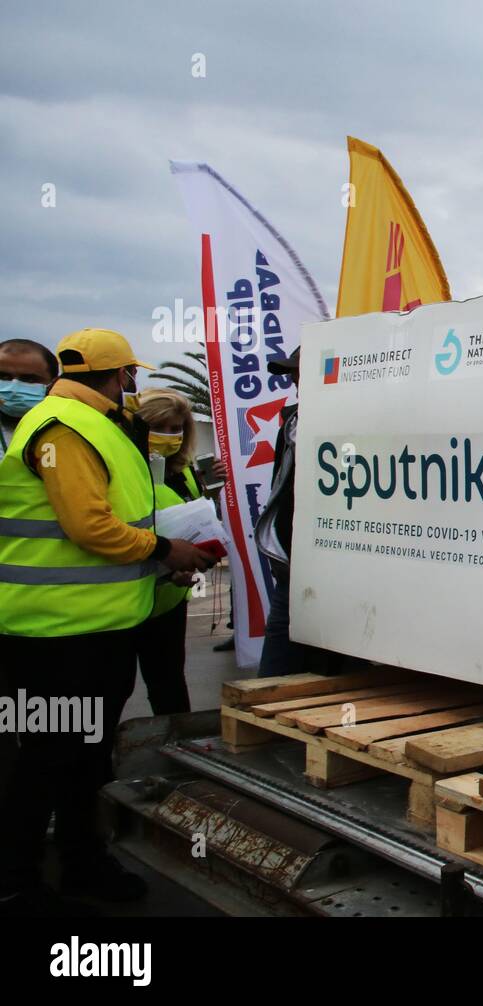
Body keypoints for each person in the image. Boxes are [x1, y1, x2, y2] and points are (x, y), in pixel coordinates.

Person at [0, 328, 217, 916]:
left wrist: (157, 563)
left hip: (96, 630)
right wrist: (164, 551)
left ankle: (83, 859)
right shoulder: (65, 427)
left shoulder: (96, 425)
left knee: (84, 756)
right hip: (51, 636)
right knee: (45, 758)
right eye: (130, 376)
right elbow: (89, 526)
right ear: (122, 376)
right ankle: (17, 880)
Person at [129, 388, 221, 715]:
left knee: (168, 683)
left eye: (176, 428)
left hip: (170, 600)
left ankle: (177, 748)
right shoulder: (123, 469)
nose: (169, 436)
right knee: (114, 687)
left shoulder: (183, 471)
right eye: (160, 427)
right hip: (125, 600)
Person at [254, 348, 310, 677]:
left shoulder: (361, 423)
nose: (293, 380)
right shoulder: (291, 425)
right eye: (291, 373)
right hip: (290, 573)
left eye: (300, 372)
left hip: (335, 576)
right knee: (274, 676)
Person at [0, 338, 59, 461]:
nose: (13, 388)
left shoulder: (65, 432)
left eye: (29, 379)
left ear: (53, 383)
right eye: (4, 377)